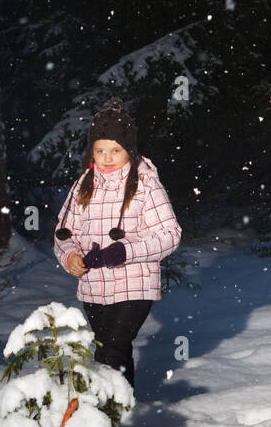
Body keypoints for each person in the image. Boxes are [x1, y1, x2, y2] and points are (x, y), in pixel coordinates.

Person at [53, 99, 181, 394]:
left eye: (115, 150)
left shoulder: (146, 184)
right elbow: (63, 233)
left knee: (111, 347)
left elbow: (170, 234)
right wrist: (69, 256)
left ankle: (99, 409)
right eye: (100, 150)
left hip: (134, 283)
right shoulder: (83, 184)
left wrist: (127, 250)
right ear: (91, 151)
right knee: (114, 348)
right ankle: (124, 408)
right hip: (93, 286)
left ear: (129, 151)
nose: (107, 158)